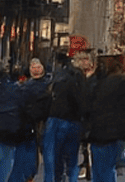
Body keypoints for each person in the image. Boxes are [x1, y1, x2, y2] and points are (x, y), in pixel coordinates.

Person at [81, 57, 125, 182]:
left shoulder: (97, 83)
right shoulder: (123, 83)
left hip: (97, 130)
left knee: (98, 168)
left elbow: (86, 104)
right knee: (108, 167)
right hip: (114, 131)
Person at [38, 50, 88, 182]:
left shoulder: (57, 76)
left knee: (52, 160)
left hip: (55, 119)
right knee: (71, 160)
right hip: (73, 121)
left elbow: (47, 99)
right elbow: (81, 100)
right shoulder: (78, 76)